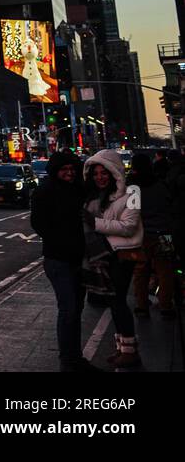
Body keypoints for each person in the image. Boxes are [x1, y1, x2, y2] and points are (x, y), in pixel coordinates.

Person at [31, 150, 97, 371]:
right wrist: (59, 238)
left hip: (79, 258)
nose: (69, 173)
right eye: (64, 170)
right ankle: (68, 362)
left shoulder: (80, 189)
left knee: (76, 309)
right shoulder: (45, 191)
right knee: (68, 309)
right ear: (55, 171)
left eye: (72, 169)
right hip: (58, 259)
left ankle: (75, 358)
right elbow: (38, 223)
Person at [84, 149, 144, 369]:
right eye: (96, 173)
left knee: (118, 302)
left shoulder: (132, 193)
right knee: (112, 302)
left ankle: (130, 351)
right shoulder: (97, 197)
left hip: (121, 255)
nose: (100, 177)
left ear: (115, 172)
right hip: (103, 257)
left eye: (104, 172)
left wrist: (95, 223)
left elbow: (128, 227)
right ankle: (122, 348)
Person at [129, 152, 177, 318]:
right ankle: (166, 304)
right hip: (164, 233)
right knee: (165, 271)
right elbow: (169, 205)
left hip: (142, 235)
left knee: (140, 271)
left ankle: (142, 306)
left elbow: (132, 213)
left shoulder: (133, 188)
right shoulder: (160, 184)